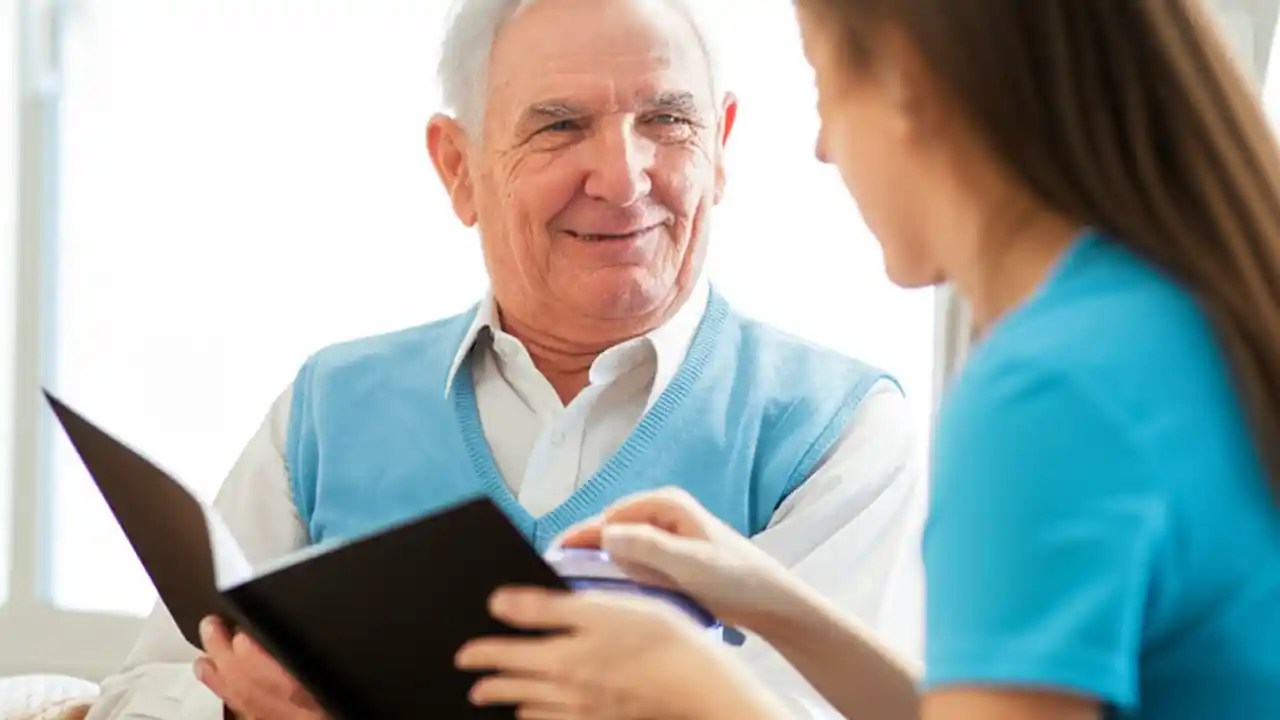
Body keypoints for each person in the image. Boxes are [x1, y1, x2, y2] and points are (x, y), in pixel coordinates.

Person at [84, 1, 924, 719]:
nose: (624, 178)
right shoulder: (328, 407)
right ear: (458, 169)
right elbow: (147, 684)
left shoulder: (836, 432)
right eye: (560, 125)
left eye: (667, 120)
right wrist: (239, 703)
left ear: (722, 145)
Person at [453, 0, 1280, 718]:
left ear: (905, 84)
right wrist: (774, 601)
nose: (823, 146)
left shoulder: (1047, 391)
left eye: (824, 86)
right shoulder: (1154, 324)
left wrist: (690, 690)